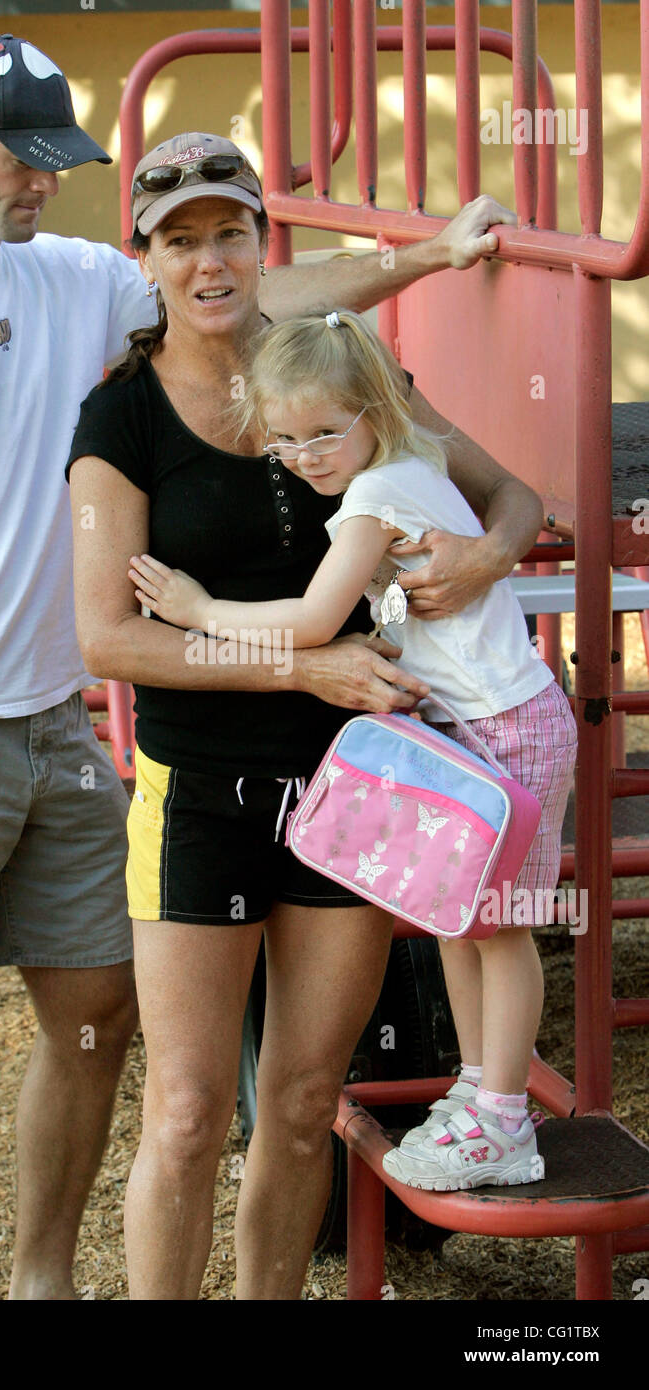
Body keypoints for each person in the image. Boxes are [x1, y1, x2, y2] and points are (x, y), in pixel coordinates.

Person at [0, 39, 528, 1301]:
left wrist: (424, 258)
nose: (43, 181)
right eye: (20, 156)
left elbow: (280, 296)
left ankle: (47, 1286)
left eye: (231, 234)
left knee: (199, 1059)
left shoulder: (137, 304)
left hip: (188, 750)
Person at [66, 136, 547, 1299]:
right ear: (149, 259)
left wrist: (484, 560)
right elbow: (111, 638)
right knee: (184, 1113)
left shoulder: (340, 373)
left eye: (229, 232)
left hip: (364, 794)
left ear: (260, 245)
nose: (209, 261)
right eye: (180, 242)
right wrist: (307, 668)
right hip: (202, 793)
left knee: (297, 1104)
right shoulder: (120, 417)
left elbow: (517, 495)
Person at [128, 308, 578, 1193]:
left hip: (506, 722)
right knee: (462, 922)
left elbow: (310, 623)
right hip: (478, 724)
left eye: (326, 432)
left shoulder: (376, 495)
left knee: (504, 931)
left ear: (375, 407)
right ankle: (480, 1090)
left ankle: (505, 1121)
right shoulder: (403, 466)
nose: (306, 456)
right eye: (286, 440)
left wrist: (199, 611)